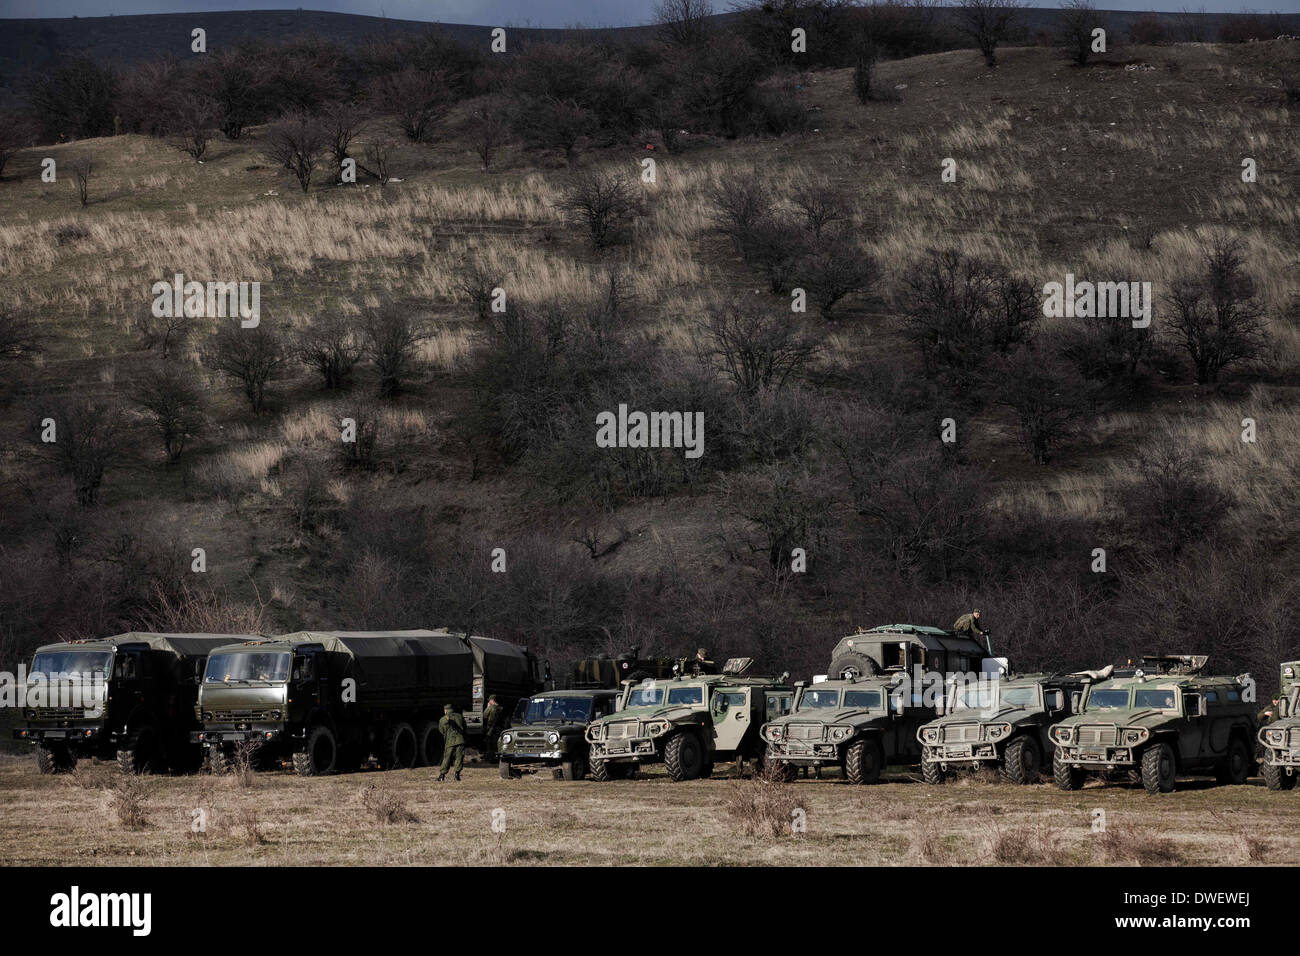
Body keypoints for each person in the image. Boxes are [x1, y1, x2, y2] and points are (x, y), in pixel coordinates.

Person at [438, 704, 467, 782]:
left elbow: (442, 731)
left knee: (447, 758)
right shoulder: (460, 716)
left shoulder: (442, 719)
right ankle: (457, 775)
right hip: (460, 740)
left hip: (450, 741)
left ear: (445, 710)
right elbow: (464, 727)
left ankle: (442, 776)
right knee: (459, 758)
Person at [482, 694, 504, 760]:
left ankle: (491, 757)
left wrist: (487, 707)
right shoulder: (501, 708)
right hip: (499, 728)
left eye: (489, 700)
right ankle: (497, 757)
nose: (489, 702)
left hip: (491, 728)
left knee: (489, 743)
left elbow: (484, 715)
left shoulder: (491, 707)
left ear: (492, 700)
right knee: (497, 743)